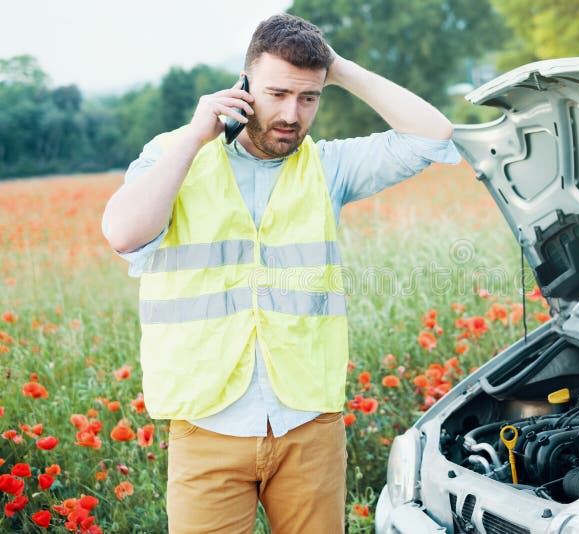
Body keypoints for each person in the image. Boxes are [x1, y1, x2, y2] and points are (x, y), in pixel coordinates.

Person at [101, 13, 460, 534]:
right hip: (207, 429)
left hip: (309, 426)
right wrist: (196, 135)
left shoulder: (328, 166)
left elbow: (432, 135)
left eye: (308, 97)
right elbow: (123, 233)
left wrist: (336, 67)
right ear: (243, 87)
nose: (293, 113)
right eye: (277, 93)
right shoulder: (174, 155)